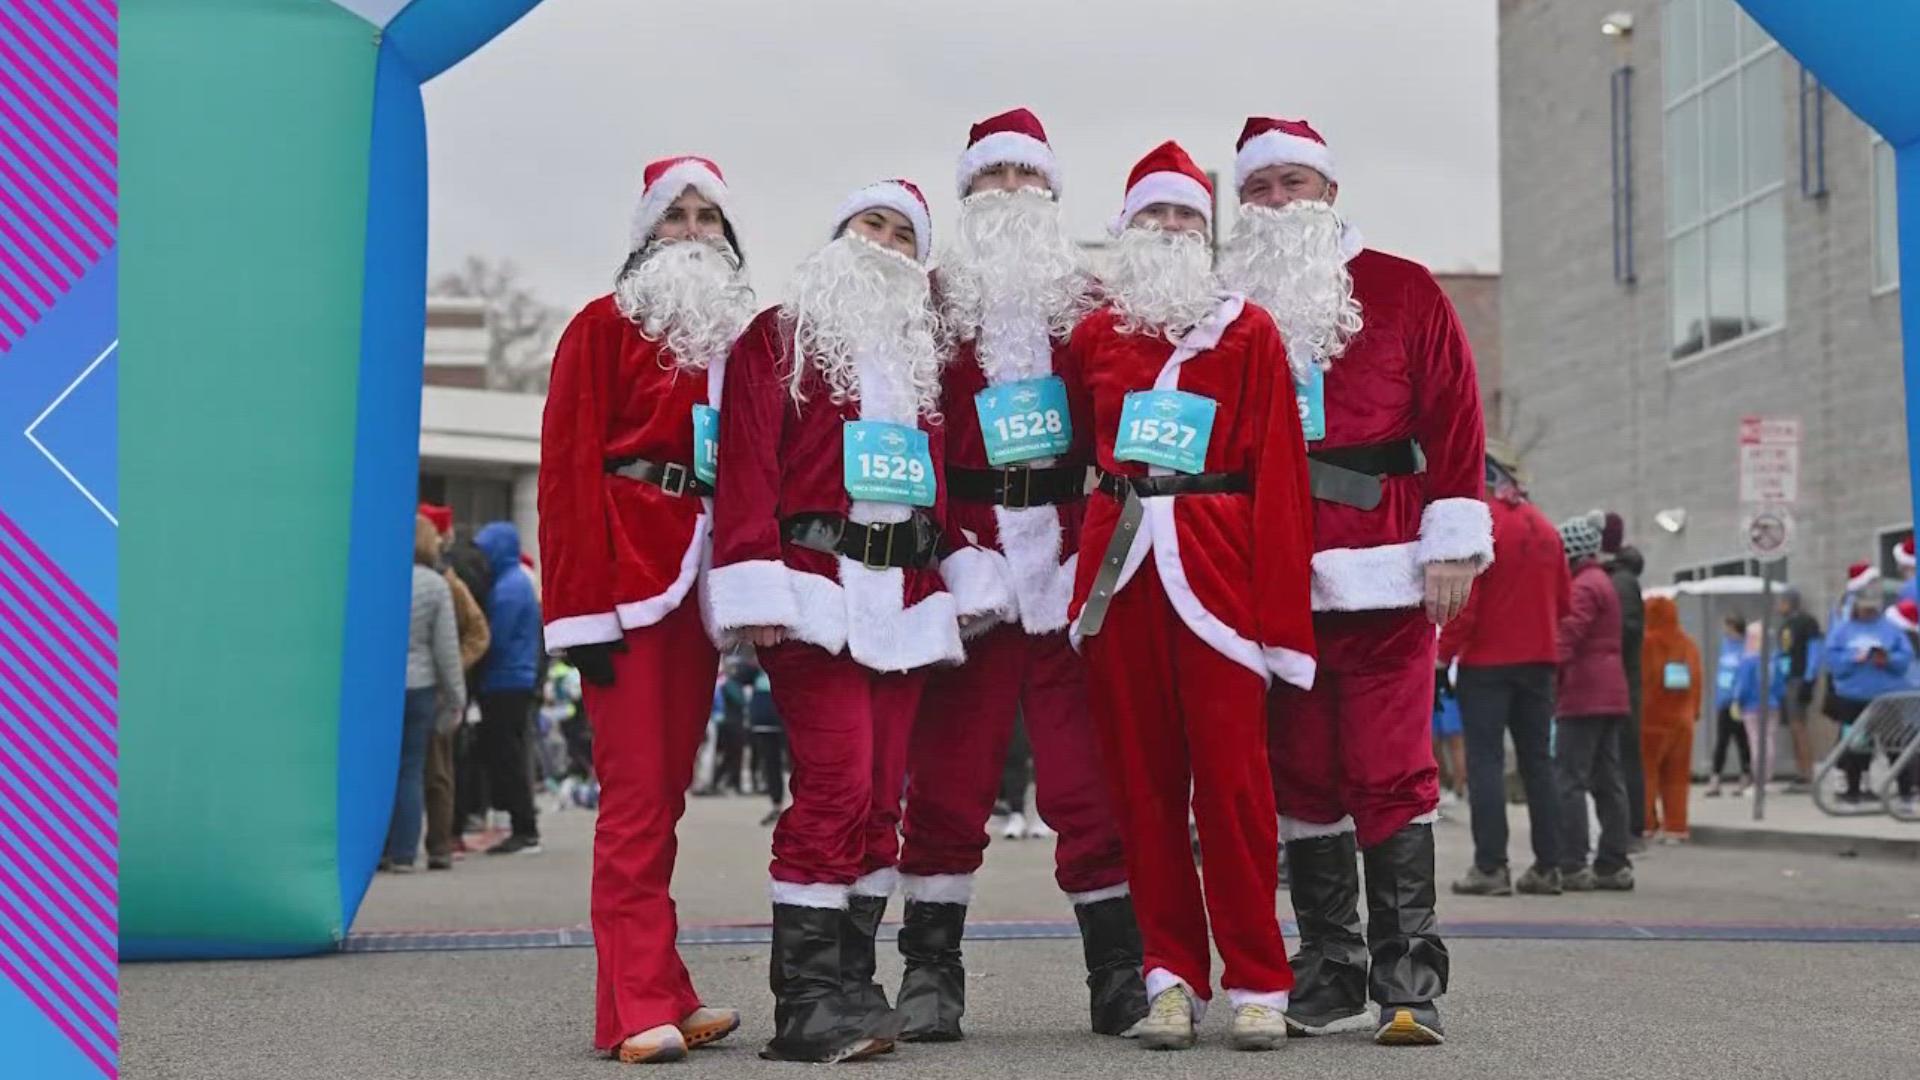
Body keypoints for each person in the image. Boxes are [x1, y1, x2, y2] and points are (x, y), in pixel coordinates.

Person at [709, 178, 1012, 1063]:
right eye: (870, 224)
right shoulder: (779, 337)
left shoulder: (923, 366)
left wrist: (962, 573)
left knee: (882, 805)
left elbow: (942, 484)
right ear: (839, 233)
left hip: (908, 604)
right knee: (836, 788)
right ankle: (802, 1003)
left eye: (903, 236)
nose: (883, 243)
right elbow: (747, 465)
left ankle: (851, 983)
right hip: (814, 595)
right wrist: (757, 584)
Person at [1220, 116, 1489, 1045]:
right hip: (1267, 579)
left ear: (1330, 193)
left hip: (1385, 568)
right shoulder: (1221, 302)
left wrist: (1452, 541)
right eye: (1259, 188)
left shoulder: (1402, 288)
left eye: (1295, 183)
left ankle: (1408, 979)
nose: (1278, 202)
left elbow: (1456, 418)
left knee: (1390, 771)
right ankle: (1328, 970)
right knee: (1299, 778)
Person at [892, 107, 1144, 1044]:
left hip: (1071, 573)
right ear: (965, 195)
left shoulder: (1089, 305)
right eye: (990, 178)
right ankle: (930, 972)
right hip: (971, 573)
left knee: (1089, 784)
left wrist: (1092, 554)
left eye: (1024, 178)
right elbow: (898, 439)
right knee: (948, 782)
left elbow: (1119, 438)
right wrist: (951, 558)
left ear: (1050, 193)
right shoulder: (927, 306)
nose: (1008, 194)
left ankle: (1117, 970)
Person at [1062, 139, 1316, 1052]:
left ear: (1206, 234)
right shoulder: (1094, 336)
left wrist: (1279, 621)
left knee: (1236, 788)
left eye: (1185, 217)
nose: (1169, 229)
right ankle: (1169, 975)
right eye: (1153, 215)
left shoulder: (1248, 330)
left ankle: (1258, 977)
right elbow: (1070, 469)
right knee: (1144, 786)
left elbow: (1281, 477)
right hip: (1121, 572)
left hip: (1216, 571)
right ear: (1125, 228)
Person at [536, 154, 753, 1064]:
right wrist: (579, 615)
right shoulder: (600, 326)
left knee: (664, 797)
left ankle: (662, 984)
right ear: (646, 234)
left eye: (709, 217)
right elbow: (564, 475)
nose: (695, 232)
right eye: (678, 217)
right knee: (631, 800)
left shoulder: (743, 340)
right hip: (627, 585)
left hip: (702, 587)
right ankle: (631, 1007)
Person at [1441, 446, 1569, 898]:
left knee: (1486, 762)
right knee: (1539, 763)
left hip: (1488, 663)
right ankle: (1550, 866)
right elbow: (1564, 603)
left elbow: (1466, 605)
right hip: (1539, 661)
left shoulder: (1485, 525)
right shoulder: (1546, 527)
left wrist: (1443, 655)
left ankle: (1492, 867)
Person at [1551, 515, 1633, 892]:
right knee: (1607, 779)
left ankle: (1573, 862)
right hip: (1611, 693)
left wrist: (1546, 668)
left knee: (1570, 780)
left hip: (1583, 694)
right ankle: (1614, 862)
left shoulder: (1583, 586)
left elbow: (1569, 634)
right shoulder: (1602, 580)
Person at [385, 514, 468, 872]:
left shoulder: (383, 577)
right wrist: (455, 698)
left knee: (380, 770)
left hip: (382, 687)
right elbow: (447, 649)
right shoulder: (435, 585)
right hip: (420, 687)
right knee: (411, 770)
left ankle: (379, 850)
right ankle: (404, 852)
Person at [418, 503, 490, 869]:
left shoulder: (449, 582)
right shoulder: (440, 580)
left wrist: (454, 674)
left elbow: (476, 633)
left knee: (437, 769)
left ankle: (438, 843)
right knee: (432, 771)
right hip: (436, 685)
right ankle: (425, 846)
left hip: (435, 688)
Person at [472, 521, 543, 855]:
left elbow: (494, 639)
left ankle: (524, 828)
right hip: (516, 678)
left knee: (507, 758)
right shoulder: (517, 582)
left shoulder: (507, 589)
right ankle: (521, 825)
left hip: (505, 681)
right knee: (509, 755)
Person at [1823, 587, 1916, 803]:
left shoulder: (1891, 630)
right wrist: (1853, 658)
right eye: (1864, 609)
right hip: (1853, 698)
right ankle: (1853, 790)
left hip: (1887, 699)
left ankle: (1905, 791)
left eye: (1872, 609)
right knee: (1855, 746)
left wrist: (1888, 659)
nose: (1869, 613)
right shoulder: (1842, 631)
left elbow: (1905, 659)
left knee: (1896, 745)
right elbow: (1832, 662)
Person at [1599, 513, 1648, 850]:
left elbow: (1628, 631)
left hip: (1622, 682)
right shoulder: (1616, 578)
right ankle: (1624, 828)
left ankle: (1632, 827)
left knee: (1624, 756)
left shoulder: (1622, 581)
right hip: (1616, 679)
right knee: (1614, 757)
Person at [1639, 596, 1702, 843]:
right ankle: (1676, 826)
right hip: (1682, 721)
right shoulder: (1689, 644)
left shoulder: (1646, 644)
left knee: (1646, 776)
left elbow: (1642, 680)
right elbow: (1697, 681)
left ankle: (1646, 823)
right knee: (1677, 777)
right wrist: (1694, 711)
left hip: (1650, 721)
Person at [1776, 587, 1823, 792]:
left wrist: (1809, 678)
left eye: (1781, 602)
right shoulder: (1785, 625)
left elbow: (1814, 649)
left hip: (1800, 678)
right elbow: (1782, 653)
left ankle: (1808, 773)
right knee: (1793, 727)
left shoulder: (1807, 622)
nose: (1778, 606)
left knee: (1799, 726)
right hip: (1787, 678)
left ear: (1789, 602)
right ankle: (1799, 771)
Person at [1731, 620, 1787, 793]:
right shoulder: (1773, 659)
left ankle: (1759, 781)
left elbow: (1743, 685)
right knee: (1769, 741)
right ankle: (1768, 778)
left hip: (1752, 706)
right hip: (1772, 705)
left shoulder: (1748, 661)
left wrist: (1737, 701)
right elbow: (1780, 685)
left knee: (1756, 743)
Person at [1705, 614, 1753, 797]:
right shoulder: (1726, 645)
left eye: (1729, 627)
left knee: (1742, 740)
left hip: (1738, 700)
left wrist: (1739, 696)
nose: (1726, 631)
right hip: (1723, 699)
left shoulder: (1746, 648)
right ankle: (1716, 778)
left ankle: (1746, 775)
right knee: (1722, 741)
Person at [746, 660, 787, 826]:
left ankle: (803, 806)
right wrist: (755, 664)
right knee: (771, 766)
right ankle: (776, 805)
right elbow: (739, 675)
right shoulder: (754, 672)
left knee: (799, 766)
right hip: (764, 725)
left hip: (788, 723)